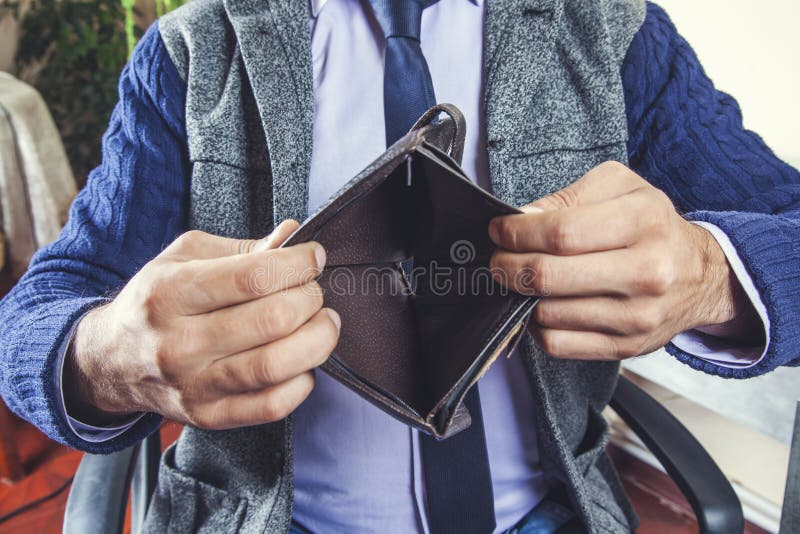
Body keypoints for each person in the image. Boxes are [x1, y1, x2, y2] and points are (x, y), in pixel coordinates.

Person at [0, 0, 798, 532]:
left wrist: (710, 274)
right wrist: (106, 355)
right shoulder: (190, 54)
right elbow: (33, 319)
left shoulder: (614, 35)